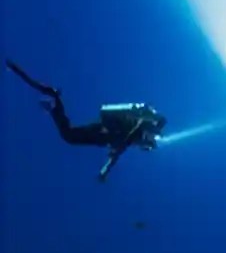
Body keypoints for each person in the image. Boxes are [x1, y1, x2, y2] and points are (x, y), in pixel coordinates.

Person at [5, 59, 167, 182]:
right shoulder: (137, 129)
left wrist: (105, 170)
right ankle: (54, 100)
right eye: (147, 145)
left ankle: (54, 104)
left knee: (69, 136)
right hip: (103, 130)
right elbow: (125, 143)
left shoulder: (132, 137)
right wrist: (106, 169)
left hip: (102, 134)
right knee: (69, 136)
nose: (144, 147)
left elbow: (117, 153)